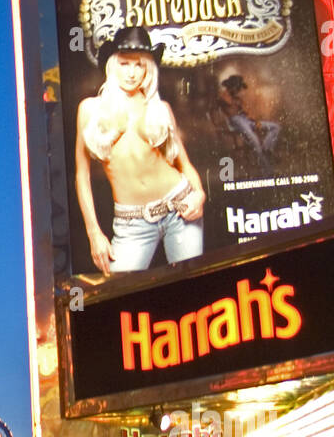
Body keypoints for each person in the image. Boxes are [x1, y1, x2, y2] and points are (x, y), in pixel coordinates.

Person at [76, 27, 205, 276]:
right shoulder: (90, 109)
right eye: (125, 64)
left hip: (180, 208)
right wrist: (94, 233)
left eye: (139, 65)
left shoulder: (160, 108)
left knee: (191, 288)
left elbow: (185, 165)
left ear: (148, 69)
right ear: (113, 65)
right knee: (117, 295)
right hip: (131, 223)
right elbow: (81, 176)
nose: (132, 73)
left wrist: (199, 195)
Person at [217, 74, 280, 175]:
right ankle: (268, 171)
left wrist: (256, 121)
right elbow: (226, 102)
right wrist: (232, 93)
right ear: (232, 87)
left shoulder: (238, 99)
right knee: (254, 140)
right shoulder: (224, 95)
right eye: (238, 88)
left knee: (275, 127)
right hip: (235, 121)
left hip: (246, 121)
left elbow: (247, 112)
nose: (239, 90)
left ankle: (267, 148)